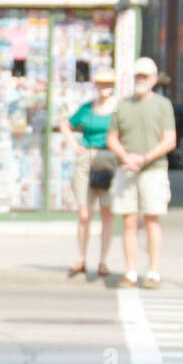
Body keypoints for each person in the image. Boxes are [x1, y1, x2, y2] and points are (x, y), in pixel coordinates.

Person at [106, 57, 178, 289]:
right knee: (128, 222)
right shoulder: (121, 104)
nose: (141, 80)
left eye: (145, 76)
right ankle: (130, 272)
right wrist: (126, 157)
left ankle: (153, 272)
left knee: (151, 220)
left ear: (154, 79)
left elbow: (169, 139)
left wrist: (145, 158)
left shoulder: (162, 104)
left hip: (153, 170)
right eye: (137, 76)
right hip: (126, 169)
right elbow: (112, 137)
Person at [58, 67, 117, 279]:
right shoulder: (87, 108)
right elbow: (65, 125)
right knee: (84, 213)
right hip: (86, 159)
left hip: (108, 159)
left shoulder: (117, 110)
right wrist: (75, 146)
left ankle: (103, 261)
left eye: (108, 84)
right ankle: (81, 258)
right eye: (101, 84)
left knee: (107, 211)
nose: (104, 88)